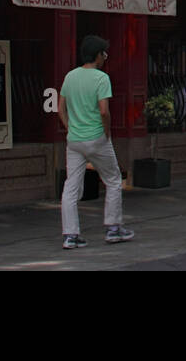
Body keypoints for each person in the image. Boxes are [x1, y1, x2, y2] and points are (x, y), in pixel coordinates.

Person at [59, 35, 135, 248]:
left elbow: (60, 108)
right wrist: (107, 132)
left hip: (74, 140)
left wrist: (70, 128)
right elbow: (104, 111)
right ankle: (113, 228)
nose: (106, 56)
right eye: (104, 52)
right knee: (112, 179)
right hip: (96, 137)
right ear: (97, 55)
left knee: (71, 186)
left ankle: (70, 234)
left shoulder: (70, 77)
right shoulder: (101, 78)